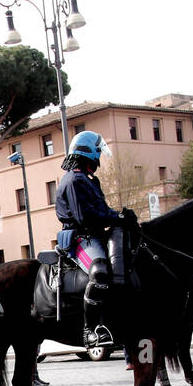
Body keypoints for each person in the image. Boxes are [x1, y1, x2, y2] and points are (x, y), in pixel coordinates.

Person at [54, 130, 135, 348]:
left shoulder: (89, 180)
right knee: (99, 273)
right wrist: (116, 217)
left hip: (97, 235)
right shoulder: (74, 180)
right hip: (82, 238)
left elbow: (102, 211)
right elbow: (84, 217)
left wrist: (118, 217)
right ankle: (90, 330)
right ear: (89, 153)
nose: (100, 157)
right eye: (98, 152)